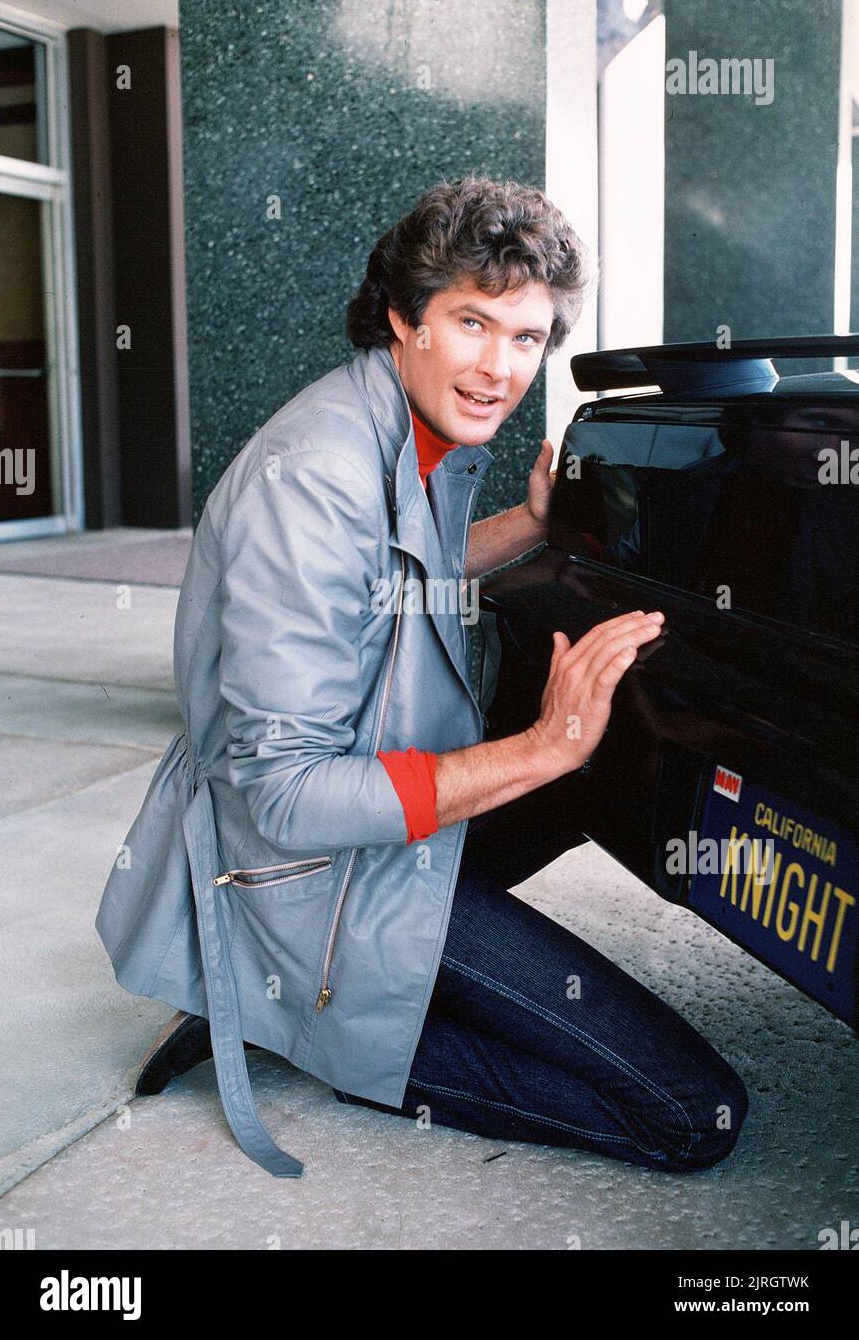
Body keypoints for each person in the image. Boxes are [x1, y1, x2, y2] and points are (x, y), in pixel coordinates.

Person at [97, 175, 749, 1177]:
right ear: (402, 320)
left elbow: (398, 582)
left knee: (580, 775)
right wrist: (535, 747)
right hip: (309, 868)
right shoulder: (314, 480)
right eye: (471, 324)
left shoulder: (407, 422)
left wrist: (530, 526)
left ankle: (348, 985)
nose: (498, 367)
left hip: (356, 837)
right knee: (695, 1117)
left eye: (526, 338)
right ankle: (320, 1023)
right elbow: (285, 791)